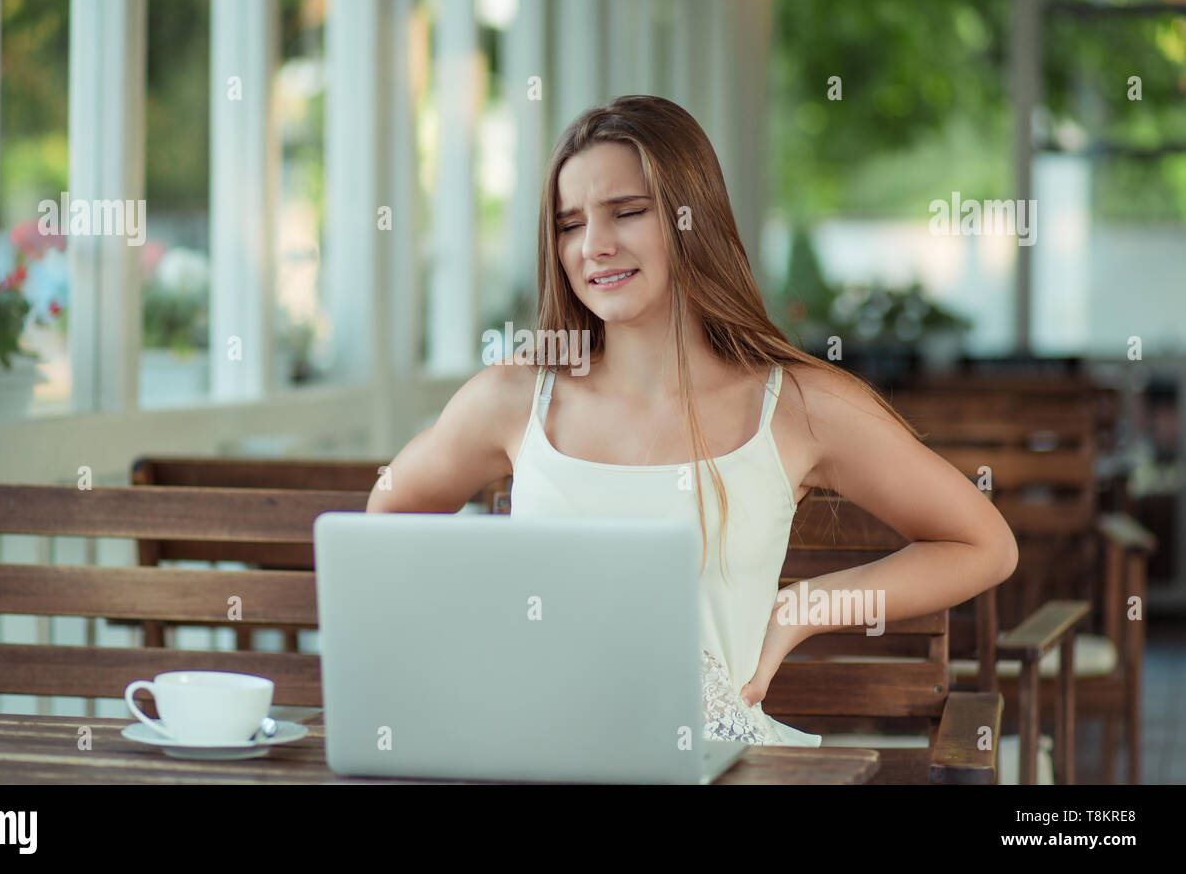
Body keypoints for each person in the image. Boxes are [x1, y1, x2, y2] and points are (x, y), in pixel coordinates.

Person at [368, 94, 1017, 744]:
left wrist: (803, 608)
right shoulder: (512, 397)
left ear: (692, 218)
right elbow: (387, 523)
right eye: (568, 224)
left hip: (716, 763)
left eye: (626, 212)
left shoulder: (800, 405)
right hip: (537, 754)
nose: (593, 246)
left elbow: (982, 545)